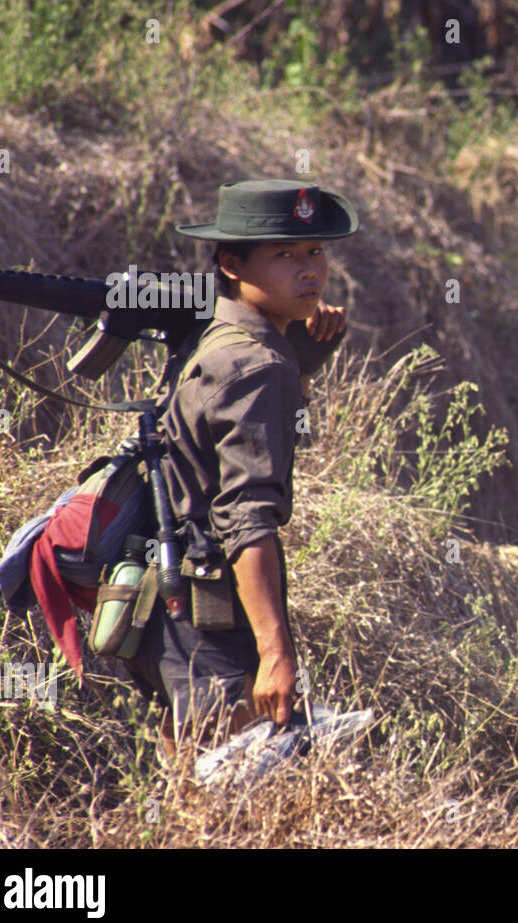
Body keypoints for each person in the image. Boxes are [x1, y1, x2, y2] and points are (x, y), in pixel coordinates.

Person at [124, 179, 358, 757]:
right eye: (283, 255)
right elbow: (247, 517)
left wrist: (303, 350)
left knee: (192, 787)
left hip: (169, 607)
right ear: (231, 263)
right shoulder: (257, 364)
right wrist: (276, 651)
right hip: (212, 616)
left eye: (315, 252)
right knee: (235, 798)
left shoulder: (218, 336)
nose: (310, 271)